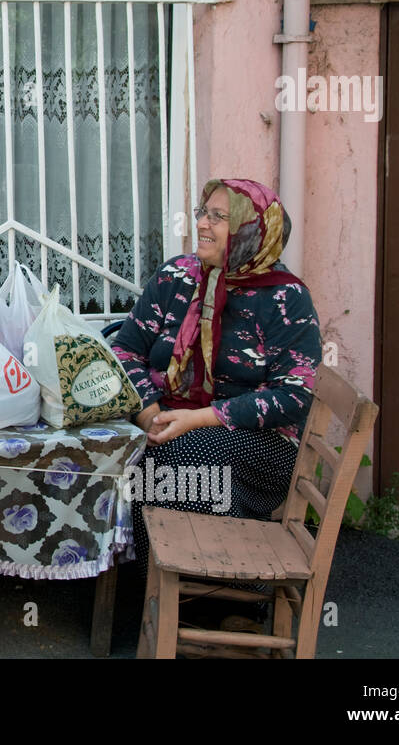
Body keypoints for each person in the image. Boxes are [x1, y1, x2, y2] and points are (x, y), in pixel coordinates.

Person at [110, 178, 321, 567]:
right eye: (203, 213)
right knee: (123, 454)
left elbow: (292, 396)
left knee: (179, 460)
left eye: (218, 217)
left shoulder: (284, 298)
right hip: (165, 421)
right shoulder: (178, 277)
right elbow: (124, 350)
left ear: (251, 233)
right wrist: (150, 413)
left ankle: (207, 588)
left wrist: (197, 420)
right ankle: (152, 591)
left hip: (258, 443)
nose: (203, 224)